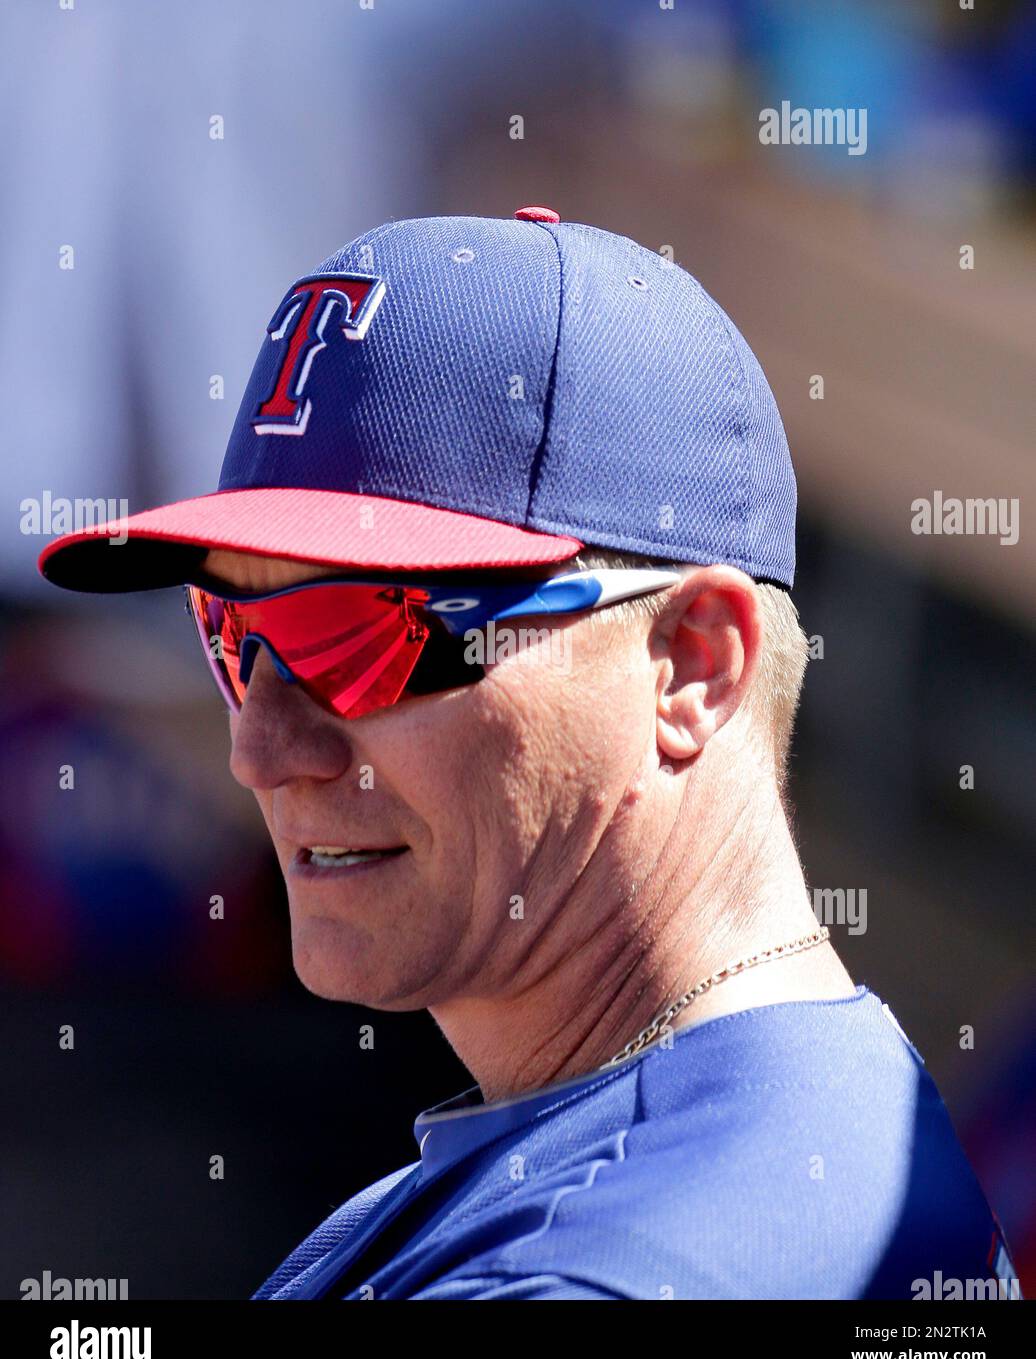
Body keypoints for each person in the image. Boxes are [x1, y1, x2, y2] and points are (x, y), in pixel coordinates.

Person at [39, 207, 1022, 1301]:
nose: (262, 749)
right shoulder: (795, 1102)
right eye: (231, 638)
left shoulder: (592, 1270)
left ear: (690, 665)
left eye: (364, 635)